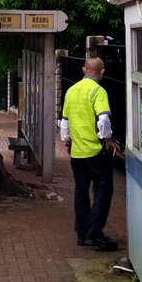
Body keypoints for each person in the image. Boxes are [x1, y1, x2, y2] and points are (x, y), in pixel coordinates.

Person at [60, 56, 121, 251]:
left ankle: (81, 232)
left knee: (81, 191)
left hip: (77, 153)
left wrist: (68, 141)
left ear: (83, 69)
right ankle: (94, 233)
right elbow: (103, 120)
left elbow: (65, 121)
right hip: (95, 151)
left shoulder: (71, 90)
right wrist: (109, 141)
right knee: (103, 191)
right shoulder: (98, 91)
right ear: (102, 72)